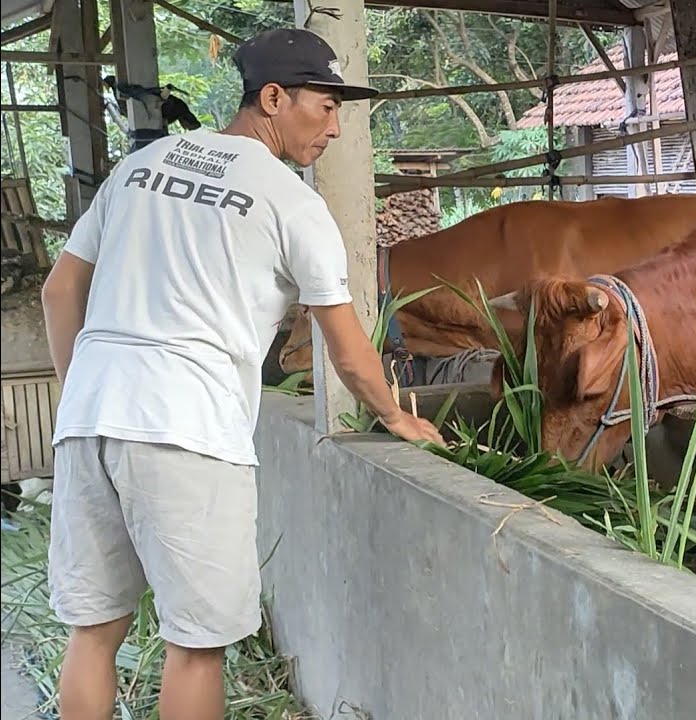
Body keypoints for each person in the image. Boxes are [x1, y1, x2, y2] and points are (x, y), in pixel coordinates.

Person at [40, 27, 443, 720]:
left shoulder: (138, 169)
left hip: (88, 423)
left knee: (95, 631)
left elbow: (58, 291)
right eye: (326, 106)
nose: (336, 128)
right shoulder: (292, 203)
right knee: (197, 646)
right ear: (275, 97)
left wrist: (84, 389)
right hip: (188, 432)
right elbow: (346, 348)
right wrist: (398, 415)